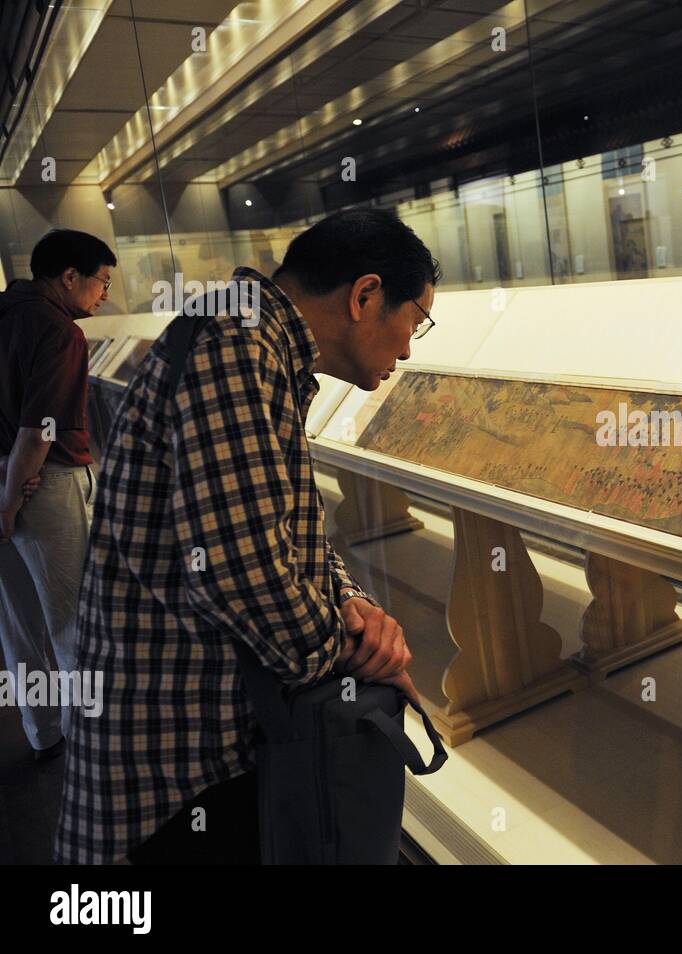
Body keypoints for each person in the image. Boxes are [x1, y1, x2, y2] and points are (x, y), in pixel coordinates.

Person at [54, 208, 440, 864]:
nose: (407, 349)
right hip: (176, 765)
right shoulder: (241, 344)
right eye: (416, 321)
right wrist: (357, 653)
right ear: (365, 295)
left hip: (192, 739)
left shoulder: (249, 336)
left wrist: (348, 600)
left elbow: (278, 528)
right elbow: (241, 576)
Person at [0, 229, 115, 761]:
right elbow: (38, 429)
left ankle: (43, 731)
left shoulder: (5, 310)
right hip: (40, 485)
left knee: (17, 619)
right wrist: (11, 501)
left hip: (9, 479)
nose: (104, 295)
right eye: (101, 282)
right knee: (74, 618)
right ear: (69, 277)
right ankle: (93, 742)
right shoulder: (60, 330)